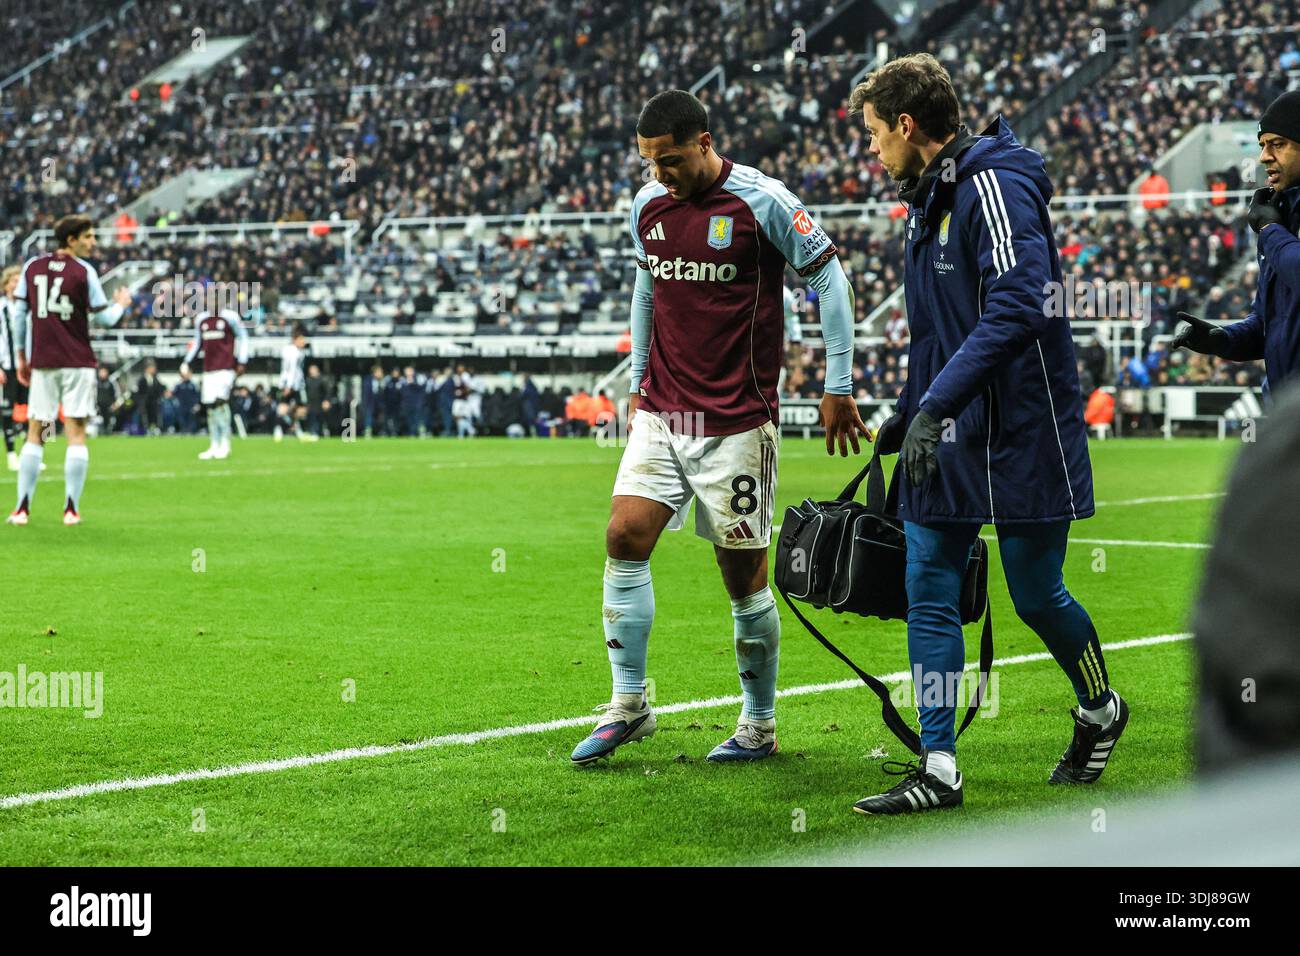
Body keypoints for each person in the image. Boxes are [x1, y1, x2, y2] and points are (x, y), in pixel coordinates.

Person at [848, 55, 1121, 814]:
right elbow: (936, 330)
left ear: (907, 126)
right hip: (951, 428)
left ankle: (1100, 708)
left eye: (874, 134)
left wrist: (935, 402)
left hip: (1026, 424)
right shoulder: (927, 198)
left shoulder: (993, 184)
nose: (871, 151)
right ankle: (938, 764)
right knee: (929, 584)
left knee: (1037, 594)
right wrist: (912, 407)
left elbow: (1019, 307)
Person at [569, 89, 866, 767]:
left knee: (742, 577)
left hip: (737, 421)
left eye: (669, 160)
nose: (659, 175)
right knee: (624, 534)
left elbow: (832, 283)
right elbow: (648, 290)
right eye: (649, 163)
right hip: (665, 409)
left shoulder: (763, 201)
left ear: (704, 142)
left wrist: (838, 385)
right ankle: (628, 703)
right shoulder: (647, 206)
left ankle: (758, 725)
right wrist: (641, 380)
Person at [1171, 91, 1300, 393]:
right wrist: (1224, 340)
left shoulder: (1273, 228)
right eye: (1262, 145)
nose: (1264, 156)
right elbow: (1269, 323)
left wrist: (1269, 230)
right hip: (1287, 414)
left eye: (1277, 144)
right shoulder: (1281, 218)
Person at [7, 215, 130, 526]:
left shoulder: (32, 267)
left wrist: (22, 354)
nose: (94, 242)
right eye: (88, 237)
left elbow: (20, 315)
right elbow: (104, 320)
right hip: (77, 362)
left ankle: (22, 508)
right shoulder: (84, 271)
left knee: (36, 432)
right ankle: (71, 509)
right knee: (76, 433)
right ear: (71, 240)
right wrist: (122, 304)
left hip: (44, 361)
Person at [181, 307, 248, 459]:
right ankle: (214, 444)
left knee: (221, 403)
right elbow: (197, 342)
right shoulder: (201, 319)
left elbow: (243, 337)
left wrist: (242, 360)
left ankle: (225, 443)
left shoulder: (230, 317)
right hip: (209, 369)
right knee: (210, 407)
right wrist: (186, 362)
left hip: (225, 368)